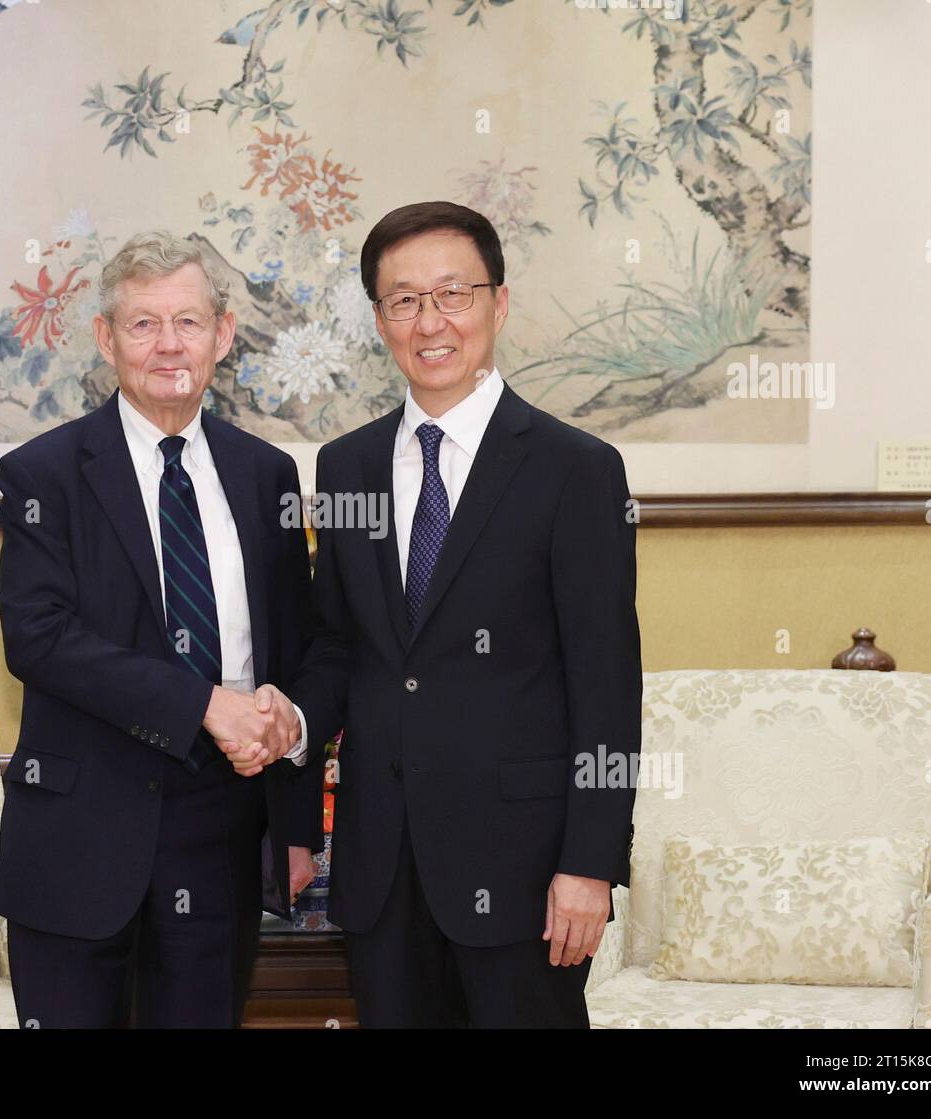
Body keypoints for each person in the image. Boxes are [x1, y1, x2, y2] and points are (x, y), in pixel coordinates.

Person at [284, 201, 642, 1028]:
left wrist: (590, 864)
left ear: (498, 304)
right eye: (403, 300)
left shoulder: (575, 469)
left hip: (525, 875)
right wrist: (293, 724)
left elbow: (607, 683)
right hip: (383, 868)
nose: (430, 320)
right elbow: (338, 646)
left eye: (453, 293)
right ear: (379, 320)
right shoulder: (347, 467)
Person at [0, 230, 322, 1028]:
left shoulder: (266, 475)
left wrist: (297, 820)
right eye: (143, 324)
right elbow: (38, 637)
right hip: (78, 841)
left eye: (188, 321)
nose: (168, 344)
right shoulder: (43, 474)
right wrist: (204, 702)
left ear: (224, 334)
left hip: (221, 841)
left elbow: (301, 650)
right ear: (107, 339)